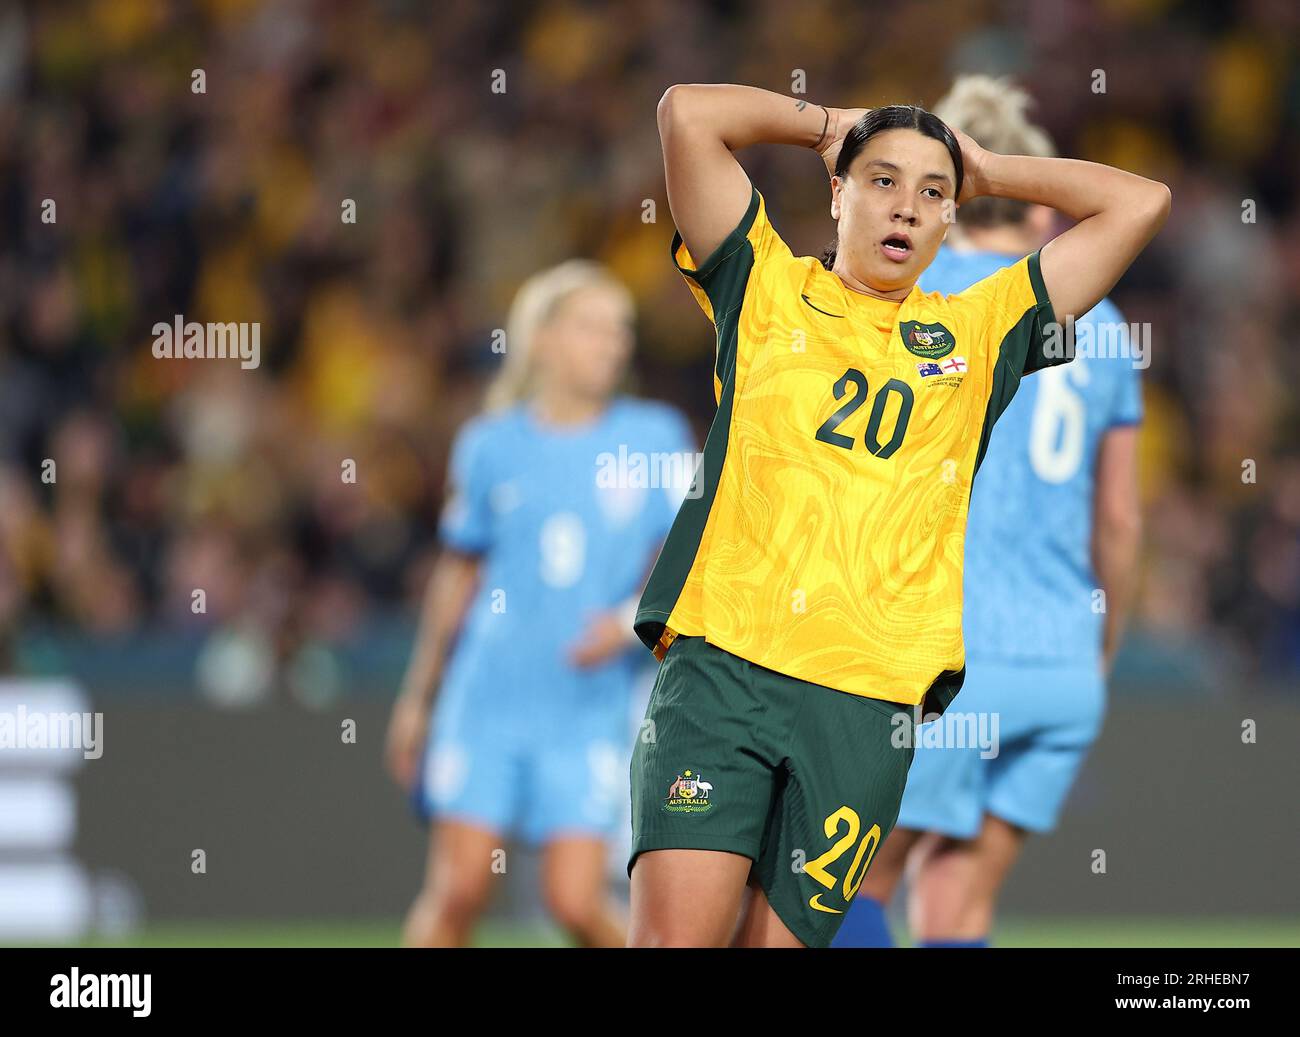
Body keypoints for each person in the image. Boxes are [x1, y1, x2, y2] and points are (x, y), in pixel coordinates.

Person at [626, 83, 1169, 948]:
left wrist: (988, 169)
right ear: (836, 193)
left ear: (952, 218)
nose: (906, 208)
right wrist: (834, 127)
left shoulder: (982, 332)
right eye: (880, 181)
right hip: (724, 669)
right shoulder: (762, 282)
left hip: (867, 702)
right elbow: (687, 112)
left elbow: (1141, 203)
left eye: (931, 193)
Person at [832, 76, 1144, 950]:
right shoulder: (1106, 322)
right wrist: (1102, 645)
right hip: (1060, 666)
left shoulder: (923, 302)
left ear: (942, 196)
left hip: (944, 657)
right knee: (958, 906)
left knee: (855, 885)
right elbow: (1118, 520)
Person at [384, 259, 695, 947]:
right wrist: (419, 696)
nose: (612, 344)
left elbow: (697, 556)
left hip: (586, 703)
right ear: (542, 339)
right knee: (459, 887)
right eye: (592, 327)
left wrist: (623, 625)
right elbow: (456, 577)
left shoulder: (655, 440)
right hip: (487, 695)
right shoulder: (490, 444)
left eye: (621, 330)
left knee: (574, 900)